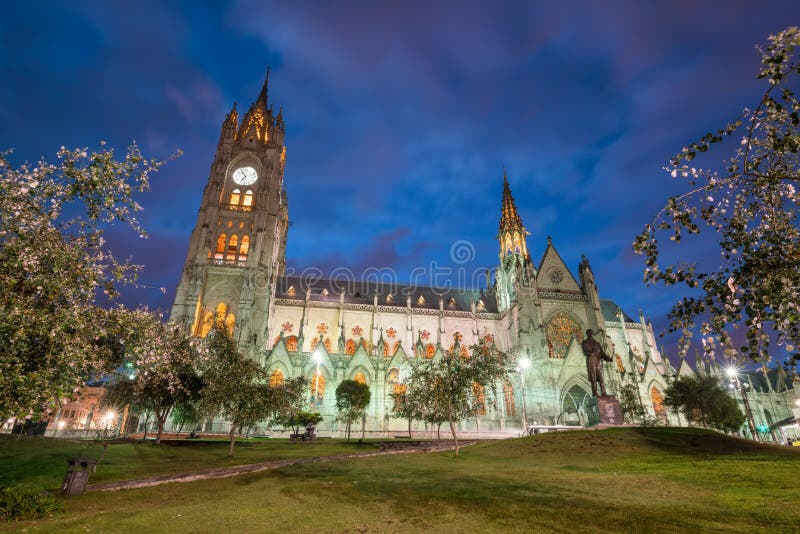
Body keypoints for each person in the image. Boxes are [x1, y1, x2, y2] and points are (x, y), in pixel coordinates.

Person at [581, 329, 613, 397]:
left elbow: (602, 353)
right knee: (593, 378)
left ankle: (604, 393)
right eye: (588, 333)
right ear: (587, 334)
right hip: (591, 361)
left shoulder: (597, 343)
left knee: (601, 377)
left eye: (591, 332)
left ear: (593, 334)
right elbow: (584, 352)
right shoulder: (584, 342)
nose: (590, 334)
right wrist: (590, 353)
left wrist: (608, 358)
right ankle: (595, 393)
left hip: (598, 361)